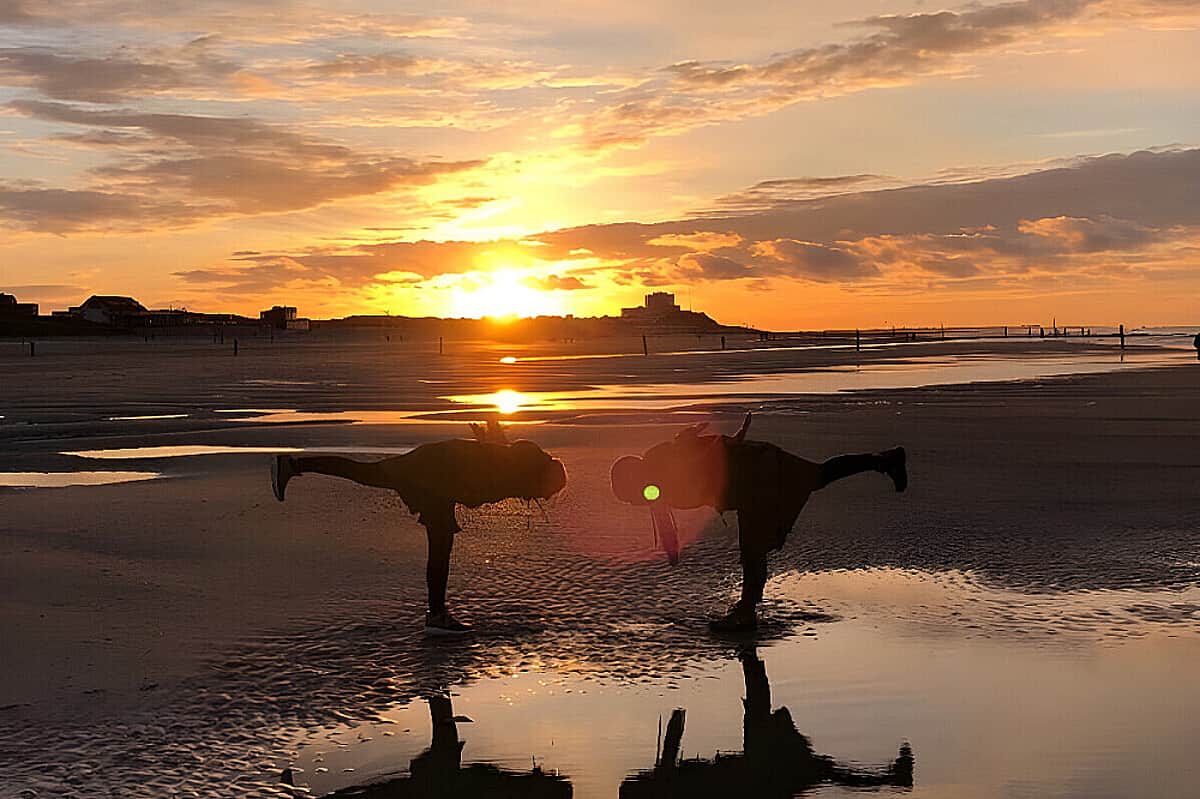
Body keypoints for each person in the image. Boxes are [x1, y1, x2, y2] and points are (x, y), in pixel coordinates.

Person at [610, 413, 906, 632]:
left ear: (634, 476)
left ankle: (747, 612)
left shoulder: (659, 464)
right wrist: (672, 554)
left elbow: (694, 450)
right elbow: (664, 519)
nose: (635, 501)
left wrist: (700, 441)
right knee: (817, 478)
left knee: (755, 547)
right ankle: (883, 460)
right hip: (749, 478)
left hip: (756, 472)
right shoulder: (654, 487)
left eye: (629, 495)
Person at [271, 421, 566, 635]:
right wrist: (490, 437)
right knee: (437, 543)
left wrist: (491, 435)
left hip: (439, 475)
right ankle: (436, 616)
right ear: (543, 478)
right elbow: (496, 465)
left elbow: (500, 455)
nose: (543, 499)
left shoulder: (520, 469)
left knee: (368, 476)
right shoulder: (520, 467)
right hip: (433, 474)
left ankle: (295, 466)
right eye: (548, 493)